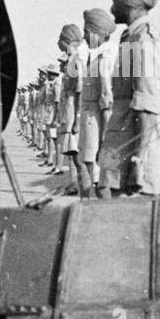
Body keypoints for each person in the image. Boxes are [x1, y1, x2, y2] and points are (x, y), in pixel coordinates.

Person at [97, 0, 160, 197]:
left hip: (136, 149)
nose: (111, 8)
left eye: (115, 1)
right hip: (119, 143)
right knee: (105, 199)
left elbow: (147, 105)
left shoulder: (145, 38)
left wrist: (138, 161)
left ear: (128, 1)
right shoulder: (130, 37)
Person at [77, 7, 117, 198]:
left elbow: (106, 98)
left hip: (96, 121)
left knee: (90, 167)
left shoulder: (104, 58)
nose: (83, 36)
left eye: (86, 31)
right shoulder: (98, 56)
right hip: (91, 119)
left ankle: (89, 205)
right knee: (91, 167)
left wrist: (105, 137)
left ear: (97, 33)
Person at [56, 23, 91, 195]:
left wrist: (77, 119)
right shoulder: (72, 60)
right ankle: (74, 185)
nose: (59, 44)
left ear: (68, 41)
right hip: (68, 115)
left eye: (61, 40)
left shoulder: (77, 61)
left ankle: (84, 191)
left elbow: (80, 91)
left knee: (78, 158)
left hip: (74, 116)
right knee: (72, 153)